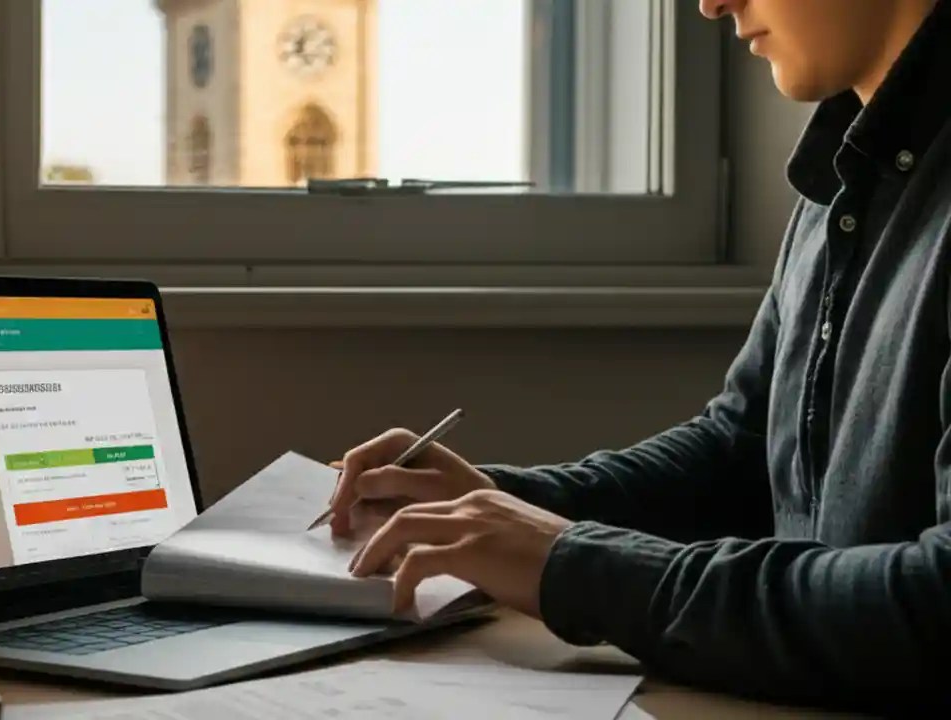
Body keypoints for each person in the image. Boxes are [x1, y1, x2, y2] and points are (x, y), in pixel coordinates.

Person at [328, 0, 951, 712]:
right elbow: (745, 455)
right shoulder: (843, 173)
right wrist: (498, 509)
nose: (711, 3)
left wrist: (572, 567)